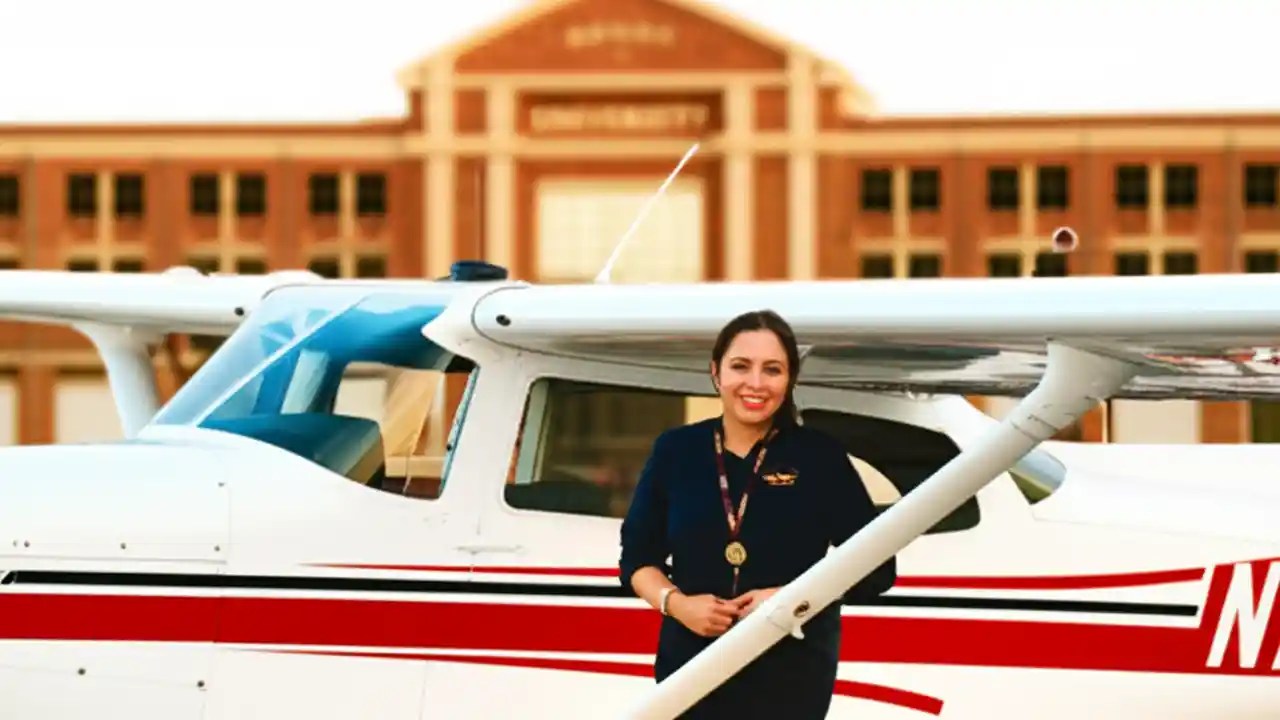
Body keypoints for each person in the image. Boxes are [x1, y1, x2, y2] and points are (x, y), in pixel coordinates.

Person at [618, 309, 896, 719]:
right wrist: (678, 605)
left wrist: (793, 599)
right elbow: (637, 559)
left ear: (790, 379)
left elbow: (877, 569)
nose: (756, 383)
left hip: (790, 678)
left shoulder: (819, 456)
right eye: (740, 366)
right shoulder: (676, 450)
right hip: (691, 673)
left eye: (773, 370)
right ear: (716, 372)